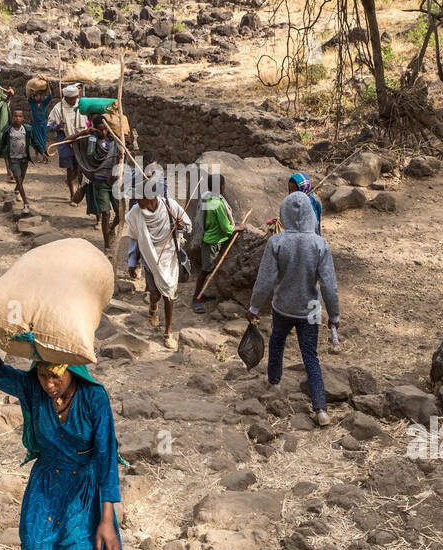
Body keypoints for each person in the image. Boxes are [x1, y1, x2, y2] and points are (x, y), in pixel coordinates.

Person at [0, 340, 134, 550]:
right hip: (45, 486)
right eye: (42, 375)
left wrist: (107, 520)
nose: (49, 385)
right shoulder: (31, 389)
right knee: (36, 549)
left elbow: (106, 459)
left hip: (83, 493)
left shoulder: (94, 398)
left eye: (55, 376)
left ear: (72, 371)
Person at [246, 192, 340, 426]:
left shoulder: (277, 242)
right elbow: (328, 283)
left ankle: (275, 384)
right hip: (309, 309)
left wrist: (254, 306)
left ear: (284, 214)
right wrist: (334, 314)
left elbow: (265, 279)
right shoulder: (320, 243)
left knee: (277, 343)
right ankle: (320, 409)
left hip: (283, 307)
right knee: (310, 356)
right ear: (311, 215)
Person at [126, 175, 191, 350]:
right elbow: (133, 238)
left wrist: (181, 226)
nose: (136, 199)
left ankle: (168, 332)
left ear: (151, 197)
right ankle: (153, 305)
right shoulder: (135, 213)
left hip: (169, 255)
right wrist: (133, 261)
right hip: (149, 257)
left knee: (169, 293)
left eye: (139, 196)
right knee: (155, 294)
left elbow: (187, 225)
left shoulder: (170, 206)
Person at [71, 114, 124, 253]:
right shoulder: (90, 140)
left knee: (121, 213)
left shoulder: (116, 141)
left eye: (105, 129)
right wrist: (84, 132)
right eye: (100, 130)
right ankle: (107, 246)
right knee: (105, 213)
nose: (103, 132)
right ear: (94, 128)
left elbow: (128, 149)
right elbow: (67, 140)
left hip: (115, 182)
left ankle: (111, 228)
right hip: (100, 182)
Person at [192, 173, 242, 312]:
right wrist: (237, 227)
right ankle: (196, 299)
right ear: (220, 187)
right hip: (213, 241)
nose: (225, 186)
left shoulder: (208, 198)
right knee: (205, 271)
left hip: (210, 237)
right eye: (224, 184)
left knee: (208, 269)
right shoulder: (218, 204)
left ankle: (202, 294)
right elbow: (226, 228)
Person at [126, 152, 163, 283]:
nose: (152, 172)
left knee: (151, 243)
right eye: (149, 169)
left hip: (154, 214)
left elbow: (165, 196)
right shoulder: (134, 175)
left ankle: (150, 280)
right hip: (138, 212)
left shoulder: (160, 177)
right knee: (136, 240)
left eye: (154, 169)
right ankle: (134, 263)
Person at [48, 83, 87, 203]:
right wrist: (58, 126)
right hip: (65, 140)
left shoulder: (81, 105)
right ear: (66, 97)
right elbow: (50, 125)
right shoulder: (58, 108)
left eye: (76, 97)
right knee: (70, 168)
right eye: (73, 98)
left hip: (81, 140)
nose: (75, 100)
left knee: (80, 168)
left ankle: (69, 181)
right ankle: (72, 193)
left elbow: (88, 120)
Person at [6, 106, 47, 215]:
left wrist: (42, 152)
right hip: (13, 159)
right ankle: (26, 203)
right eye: (15, 116)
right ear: (12, 117)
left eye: (20, 116)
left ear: (23, 118)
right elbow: (1, 144)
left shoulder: (27, 129)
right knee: (19, 179)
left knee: (22, 178)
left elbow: (35, 141)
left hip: (24, 158)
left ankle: (16, 190)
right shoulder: (8, 130)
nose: (17, 118)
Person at [27, 81, 54, 155]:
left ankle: (43, 154)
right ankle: (37, 155)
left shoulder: (44, 102)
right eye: (36, 96)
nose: (37, 97)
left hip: (43, 124)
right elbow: (25, 93)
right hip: (35, 124)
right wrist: (31, 89)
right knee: (36, 139)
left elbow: (50, 96)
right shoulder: (32, 102)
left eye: (39, 95)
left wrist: (49, 86)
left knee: (43, 139)